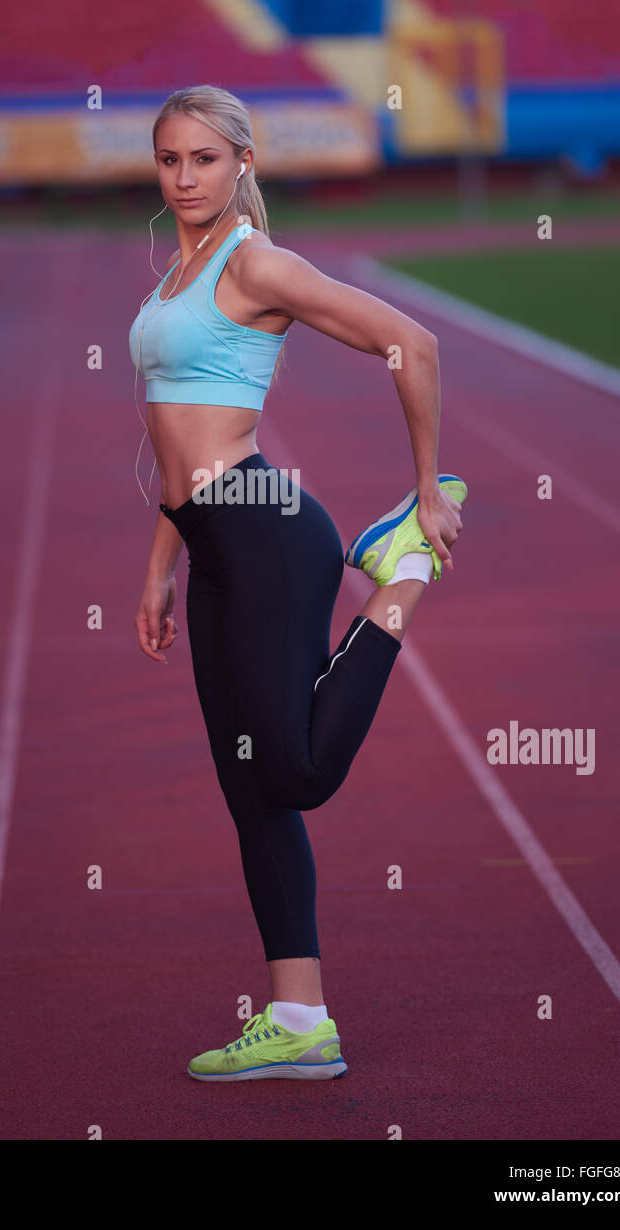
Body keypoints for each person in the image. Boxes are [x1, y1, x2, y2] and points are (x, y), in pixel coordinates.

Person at [129, 85, 466, 1081]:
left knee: (299, 772)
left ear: (242, 162)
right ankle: (299, 1017)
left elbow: (417, 343)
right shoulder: (173, 275)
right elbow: (167, 442)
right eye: (169, 159)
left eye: (203, 158)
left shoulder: (257, 263)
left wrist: (425, 490)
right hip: (213, 543)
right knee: (251, 791)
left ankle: (400, 569)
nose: (185, 177)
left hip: (271, 532)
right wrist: (158, 571)